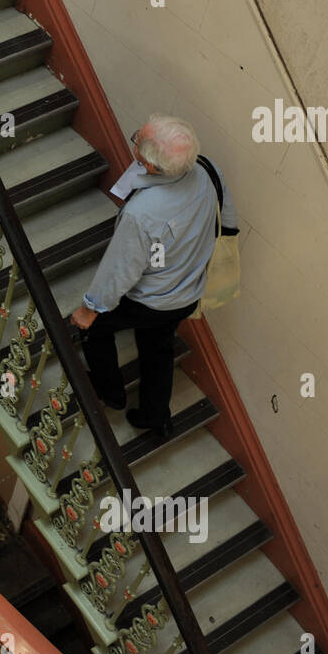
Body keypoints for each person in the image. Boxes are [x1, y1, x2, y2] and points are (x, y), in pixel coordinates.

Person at [69, 115, 238, 435]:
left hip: (151, 300)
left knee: (97, 330)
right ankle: (155, 416)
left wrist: (89, 309)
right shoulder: (207, 169)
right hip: (187, 293)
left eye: (137, 139)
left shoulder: (142, 214)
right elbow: (227, 218)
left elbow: (120, 271)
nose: (134, 140)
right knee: (157, 348)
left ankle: (111, 392)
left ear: (149, 164)